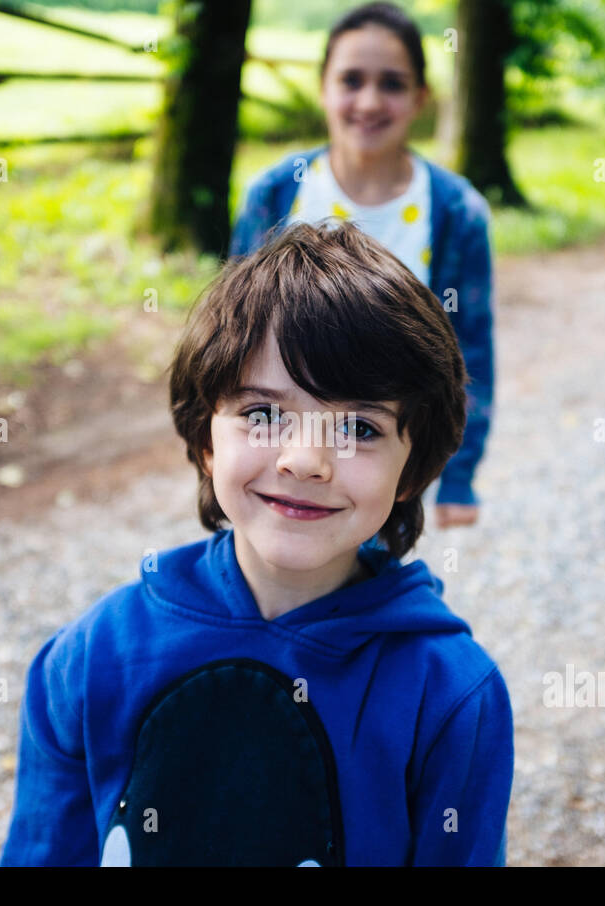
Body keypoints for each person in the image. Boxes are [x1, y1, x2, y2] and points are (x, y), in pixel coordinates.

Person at [0, 222, 513, 866]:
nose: (305, 461)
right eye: (263, 414)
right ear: (207, 440)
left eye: (358, 426)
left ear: (411, 471)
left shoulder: (451, 695)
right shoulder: (93, 657)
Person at [230, 2, 496, 530]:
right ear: (323, 87)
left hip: (383, 464)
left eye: (392, 84)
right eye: (351, 80)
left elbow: (471, 354)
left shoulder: (456, 212)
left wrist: (459, 475)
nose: (370, 101)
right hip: (280, 456)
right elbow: (231, 339)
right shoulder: (275, 193)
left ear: (420, 98)